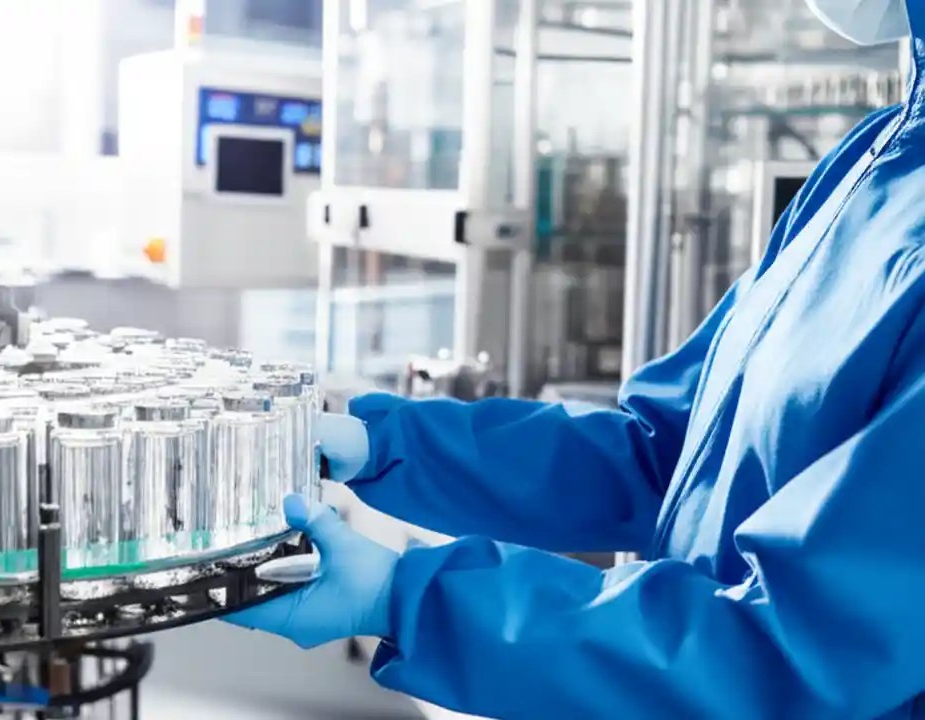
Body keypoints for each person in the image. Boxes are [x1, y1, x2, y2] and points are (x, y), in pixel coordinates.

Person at [225, 1, 925, 718]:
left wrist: (408, 597)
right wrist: (386, 443)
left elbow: (793, 652)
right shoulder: (874, 160)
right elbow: (661, 454)